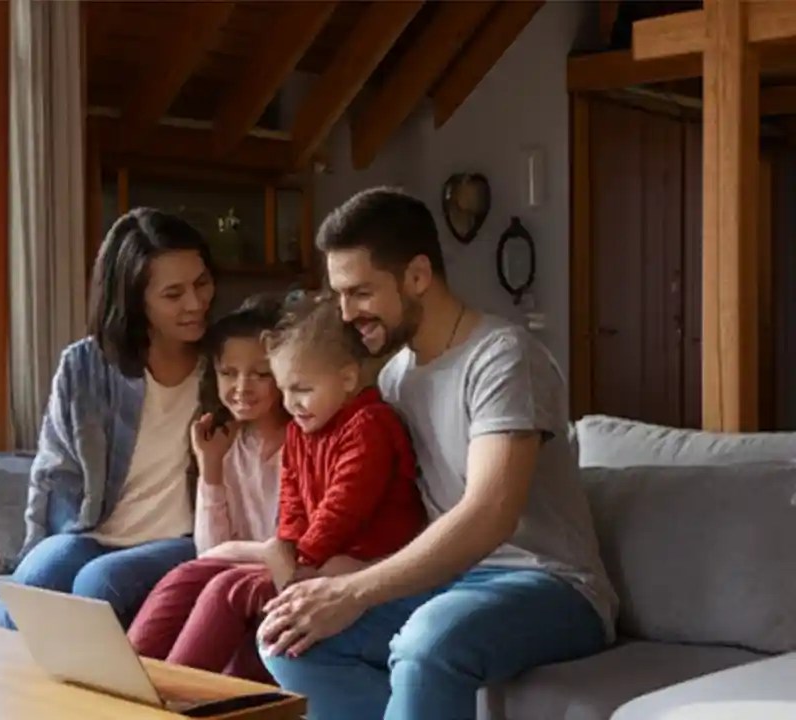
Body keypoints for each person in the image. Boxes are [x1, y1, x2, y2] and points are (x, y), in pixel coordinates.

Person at [256, 187, 616, 720]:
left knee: (426, 646)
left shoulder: (502, 357)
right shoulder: (397, 376)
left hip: (551, 585)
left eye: (359, 293)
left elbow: (488, 515)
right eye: (339, 295)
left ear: (418, 276)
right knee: (287, 636)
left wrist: (354, 591)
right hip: (452, 579)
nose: (345, 313)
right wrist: (333, 567)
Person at [0, 207, 215, 630]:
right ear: (133, 298)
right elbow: (53, 474)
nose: (195, 303)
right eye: (173, 294)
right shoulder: (85, 366)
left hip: (184, 539)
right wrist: (37, 548)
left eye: (201, 283)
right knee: (34, 580)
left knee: (100, 582)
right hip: (95, 532)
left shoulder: (226, 366)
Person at [126, 295, 289, 683]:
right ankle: (120, 694)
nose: (242, 387)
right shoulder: (227, 445)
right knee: (181, 580)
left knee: (209, 585)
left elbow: (284, 553)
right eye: (228, 373)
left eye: (261, 374)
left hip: (275, 584)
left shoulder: (301, 442)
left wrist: (245, 553)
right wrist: (210, 469)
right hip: (233, 574)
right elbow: (209, 553)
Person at [261, 292, 425, 590]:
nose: (290, 403)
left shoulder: (369, 425)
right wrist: (291, 547)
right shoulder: (298, 431)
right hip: (324, 552)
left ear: (347, 379)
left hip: (380, 558)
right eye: (283, 389)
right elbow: (292, 499)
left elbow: (344, 507)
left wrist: (306, 557)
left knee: (309, 582)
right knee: (250, 571)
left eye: (302, 389)